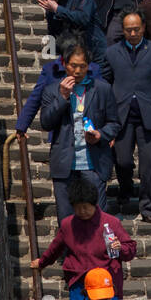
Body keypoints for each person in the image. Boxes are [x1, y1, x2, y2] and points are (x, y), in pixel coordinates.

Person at [103, 9, 151, 223]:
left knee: (149, 165)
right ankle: (126, 189)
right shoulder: (112, 52)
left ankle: (148, 207)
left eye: (136, 29)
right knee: (122, 161)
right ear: (122, 30)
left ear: (143, 27)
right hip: (121, 114)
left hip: (149, 113)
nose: (132, 33)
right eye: (128, 30)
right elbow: (105, 82)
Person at [40, 41, 119, 219]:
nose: (77, 71)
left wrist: (101, 134)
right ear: (64, 64)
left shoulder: (102, 89)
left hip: (93, 164)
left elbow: (114, 123)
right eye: (73, 66)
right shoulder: (51, 91)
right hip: (64, 164)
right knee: (66, 219)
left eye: (82, 66)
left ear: (88, 66)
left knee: (98, 217)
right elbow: (46, 123)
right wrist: (62, 97)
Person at [32, 171, 135, 300]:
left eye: (86, 207)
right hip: (79, 279)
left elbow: (130, 249)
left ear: (94, 204)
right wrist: (42, 262)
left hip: (105, 280)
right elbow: (55, 248)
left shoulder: (111, 223)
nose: (82, 212)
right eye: (78, 208)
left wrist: (120, 248)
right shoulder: (68, 224)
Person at [16, 38, 105, 140]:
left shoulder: (93, 69)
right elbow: (35, 98)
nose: (77, 70)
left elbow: (104, 99)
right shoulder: (51, 70)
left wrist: (106, 133)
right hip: (61, 130)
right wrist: (22, 126)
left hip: (89, 129)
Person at [35, 0, 108, 68]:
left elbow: (83, 19)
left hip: (94, 52)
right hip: (71, 57)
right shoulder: (52, 7)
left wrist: (58, 10)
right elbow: (53, 32)